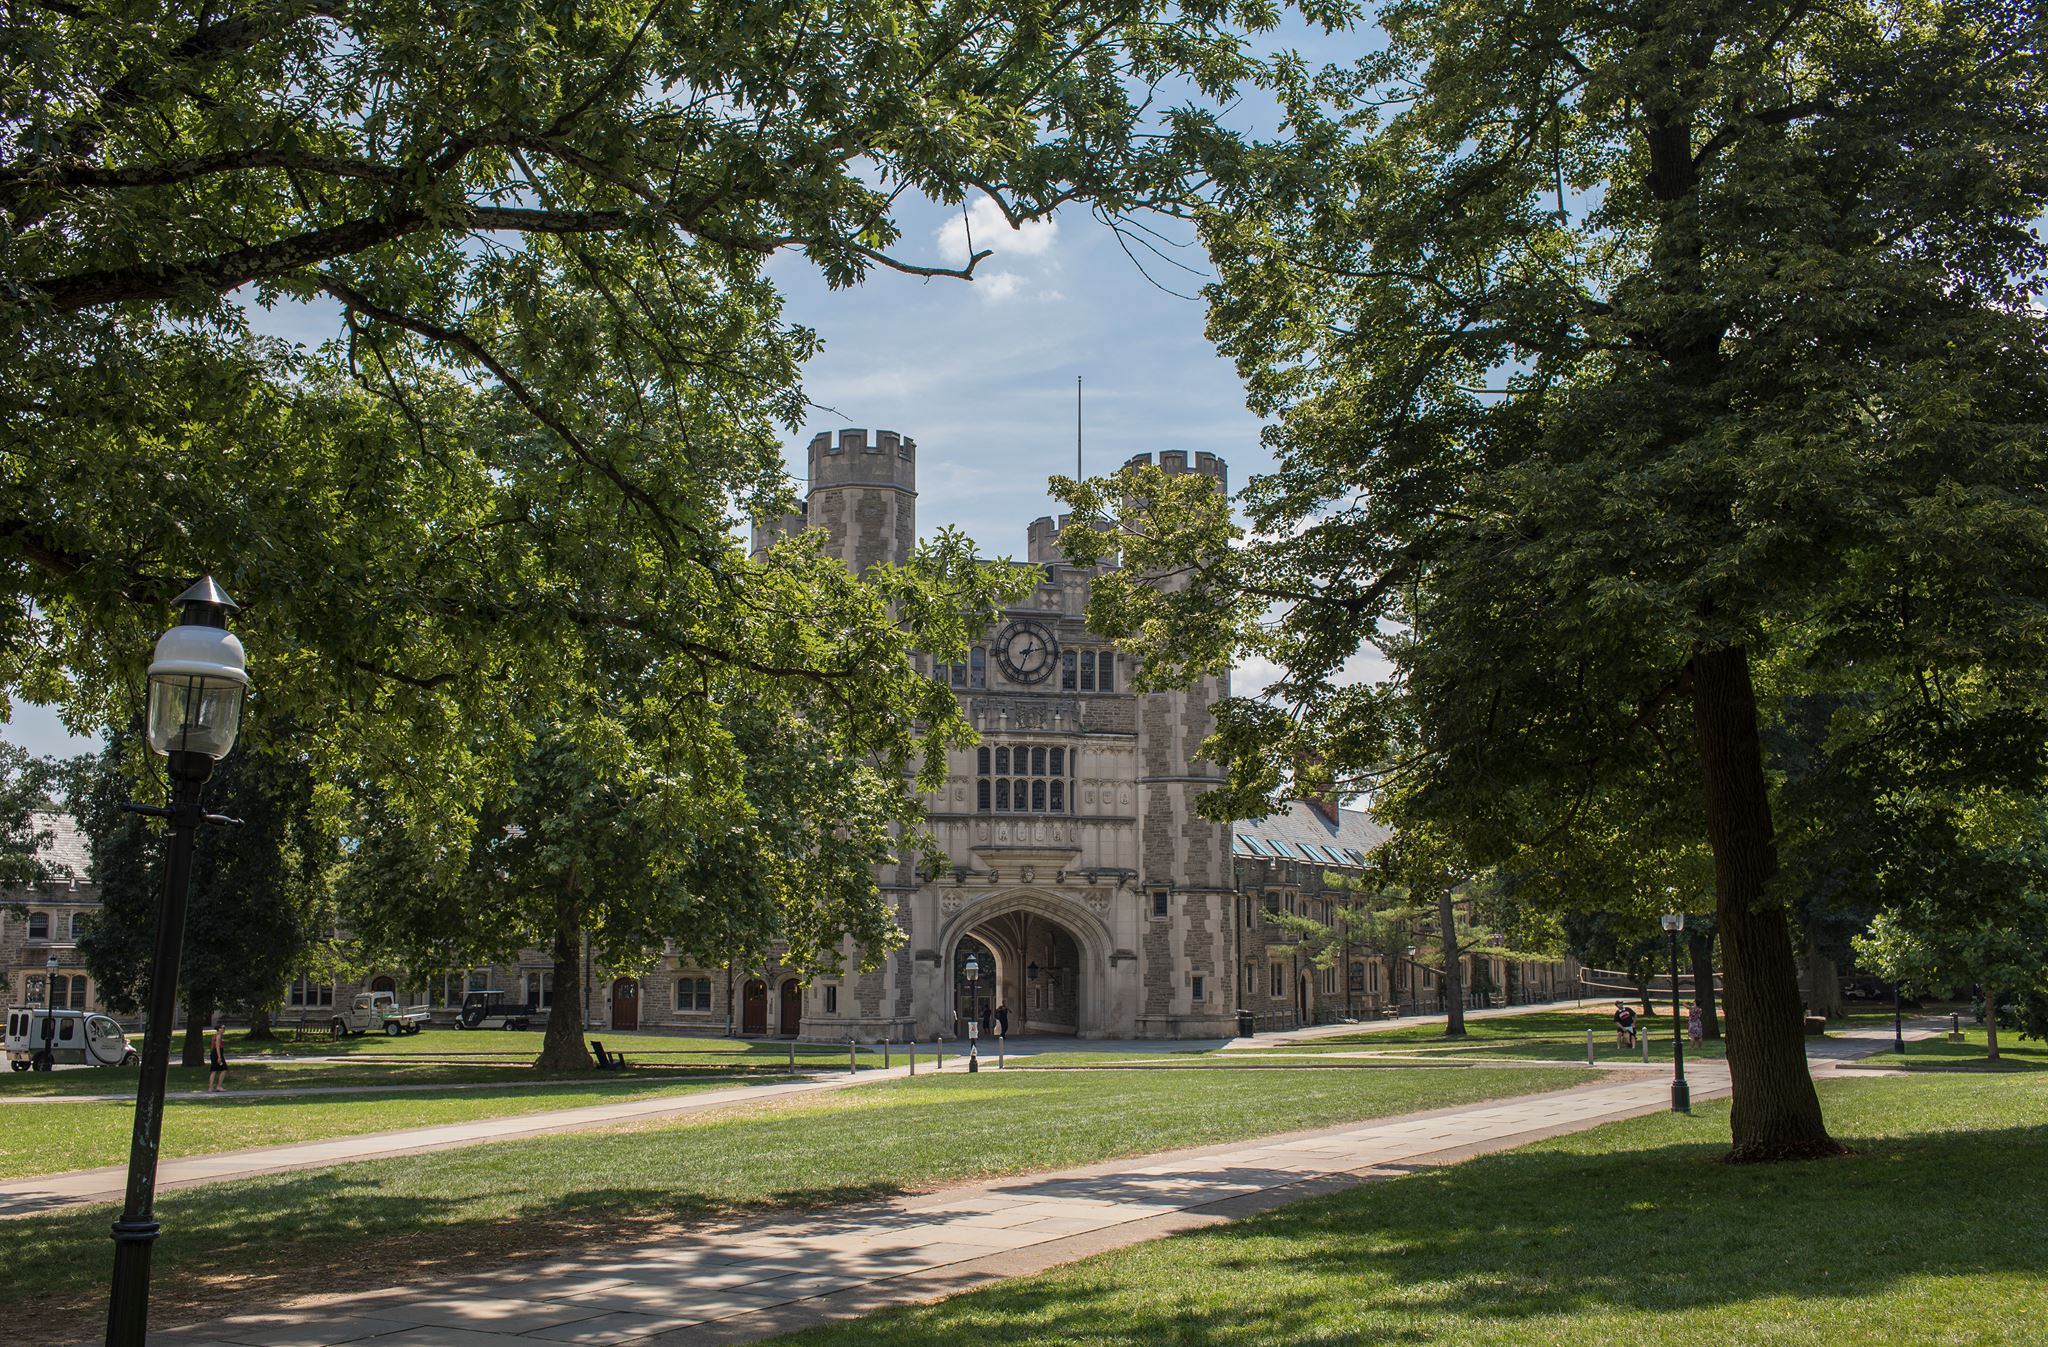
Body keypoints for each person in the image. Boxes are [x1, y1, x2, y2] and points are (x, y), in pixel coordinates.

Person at [207, 1016, 229, 1093]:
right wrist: (219, 1057)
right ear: (219, 1029)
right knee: (224, 1069)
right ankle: (219, 1086)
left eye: (224, 1028)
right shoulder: (219, 1036)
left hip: (214, 1053)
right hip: (217, 1054)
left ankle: (210, 1088)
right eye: (223, 1028)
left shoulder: (215, 1035)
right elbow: (217, 1046)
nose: (224, 1029)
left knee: (214, 1070)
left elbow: (212, 1046)